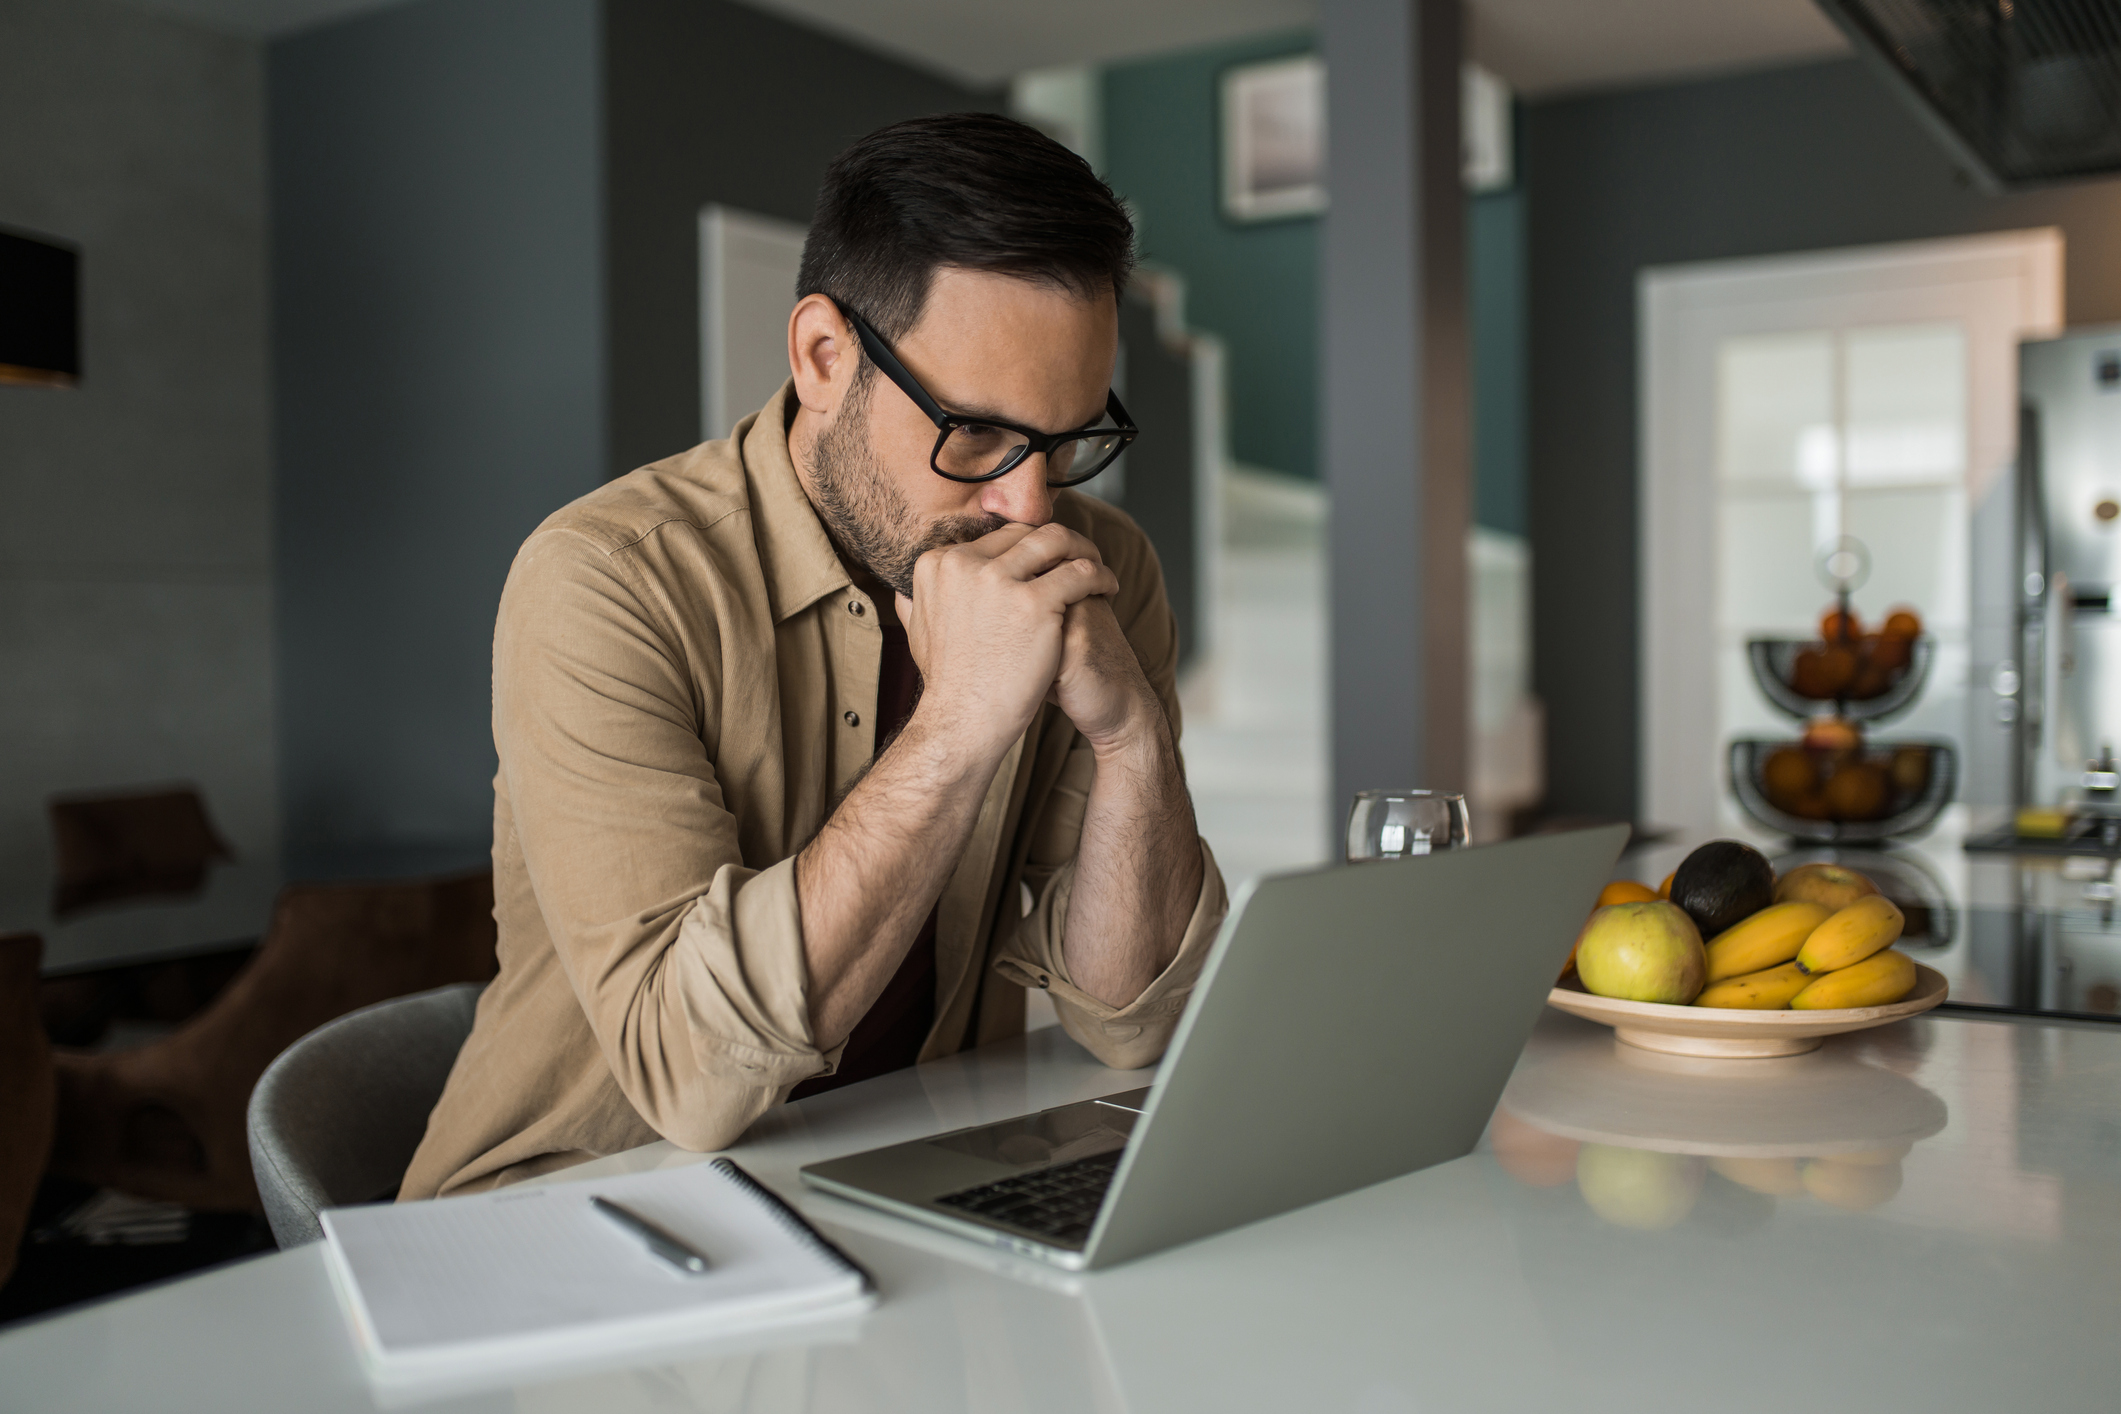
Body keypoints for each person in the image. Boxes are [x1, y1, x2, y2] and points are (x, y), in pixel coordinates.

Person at [400, 113, 1227, 1199]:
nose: (1028, 503)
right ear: (825, 357)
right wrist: (958, 726)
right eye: (975, 433)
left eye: (1068, 440)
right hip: (583, 1216)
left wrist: (1131, 741)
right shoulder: (605, 579)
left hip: (906, 1175)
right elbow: (693, 1081)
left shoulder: (1101, 563)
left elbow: (1131, 1023)